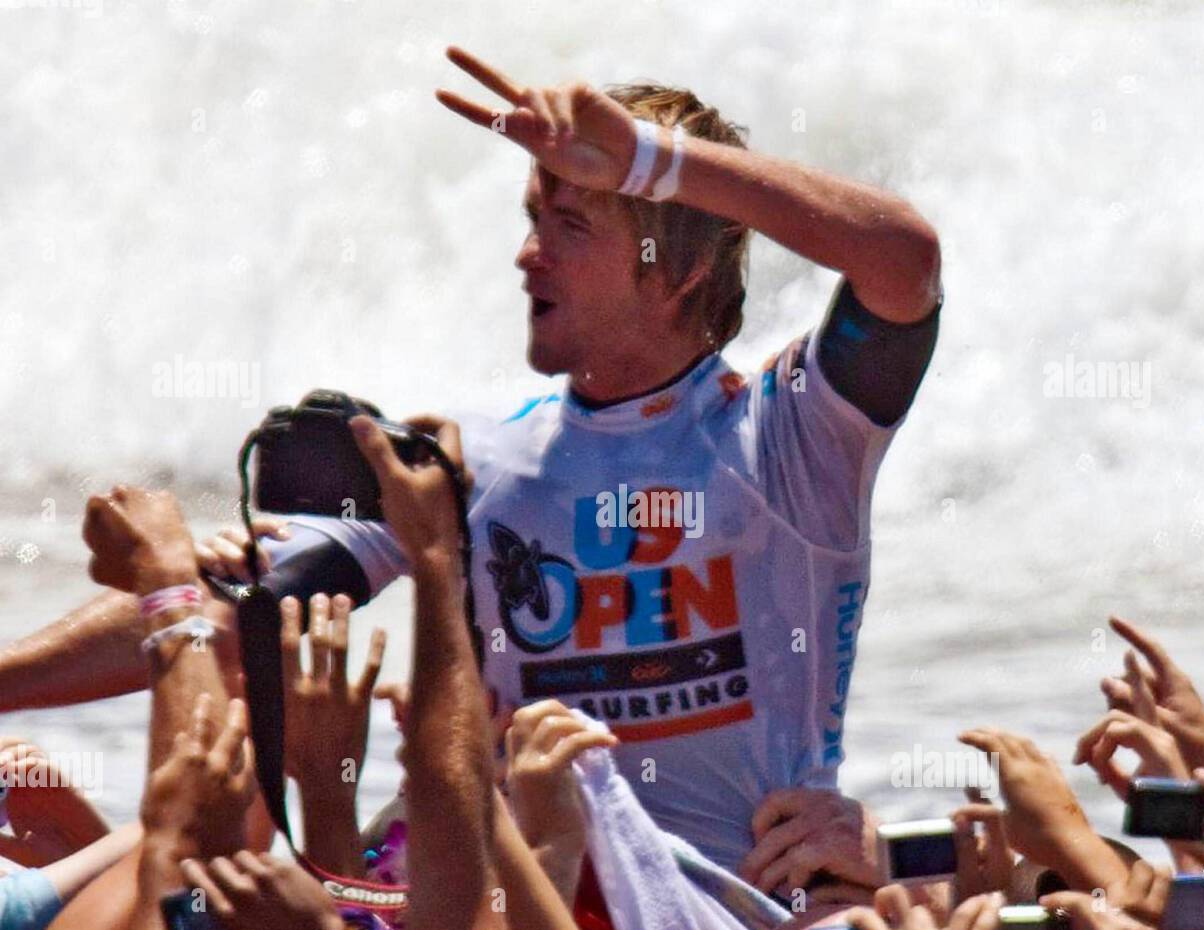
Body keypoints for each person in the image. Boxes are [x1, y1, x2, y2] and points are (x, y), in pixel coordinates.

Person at [0, 46, 942, 882]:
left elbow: (903, 266)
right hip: (521, 924)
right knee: (24, 789)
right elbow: (232, 601)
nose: (527, 257)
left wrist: (659, 163)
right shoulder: (471, 460)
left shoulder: (787, 437)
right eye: (534, 219)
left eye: (572, 227)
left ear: (681, 269)